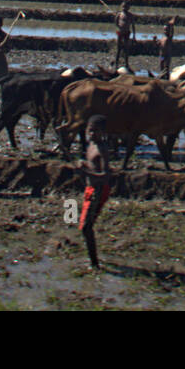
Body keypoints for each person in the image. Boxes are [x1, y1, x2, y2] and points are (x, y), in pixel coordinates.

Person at [78, 115, 114, 270]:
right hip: (89, 189)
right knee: (84, 224)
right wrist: (83, 164)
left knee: (86, 227)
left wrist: (86, 173)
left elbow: (106, 175)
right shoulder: (90, 144)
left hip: (98, 190)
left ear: (103, 132)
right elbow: (91, 165)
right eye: (90, 130)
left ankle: (94, 264)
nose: (93, 134)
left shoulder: (103, 149)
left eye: (96, 131)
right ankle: (92, 259)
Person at [113, 0, 136, 69]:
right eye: (123, 6)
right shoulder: (119, 14)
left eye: (126, 6)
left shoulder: (130, 15)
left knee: (126, 48)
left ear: (129, 7)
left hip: (127, 33)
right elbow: (116, 22)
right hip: (120, 32)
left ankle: (126, 64)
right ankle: (116, 63)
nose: (124, 8)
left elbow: (133, 25)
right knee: (119, 48)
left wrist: (134, 35)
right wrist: (119, 27)